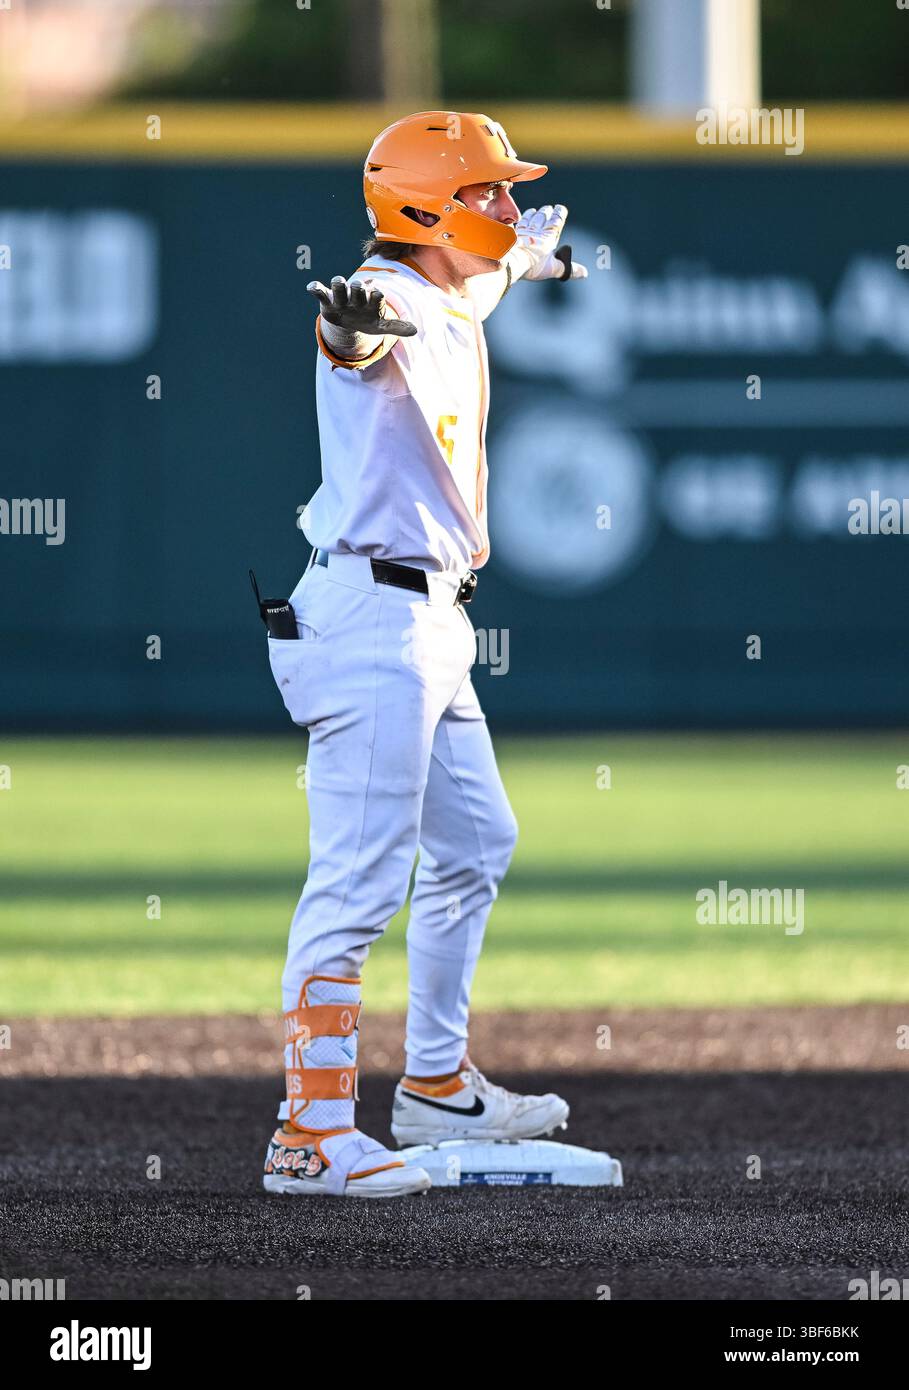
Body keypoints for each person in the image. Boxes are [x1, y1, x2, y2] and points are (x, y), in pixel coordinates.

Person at [263, 111, 587, 1198]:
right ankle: (310, 1132)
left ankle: (436, 1083)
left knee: (477, 842)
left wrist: (535, 252)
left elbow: (488, 278)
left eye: (503, 192)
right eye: (486, 192)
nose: (502, 204)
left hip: (427, 621)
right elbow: (357, 335)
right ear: (426, 208)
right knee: (356, 883)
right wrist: (346, 332)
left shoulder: (452, 285)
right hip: (372, 622)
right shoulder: (389, 296)